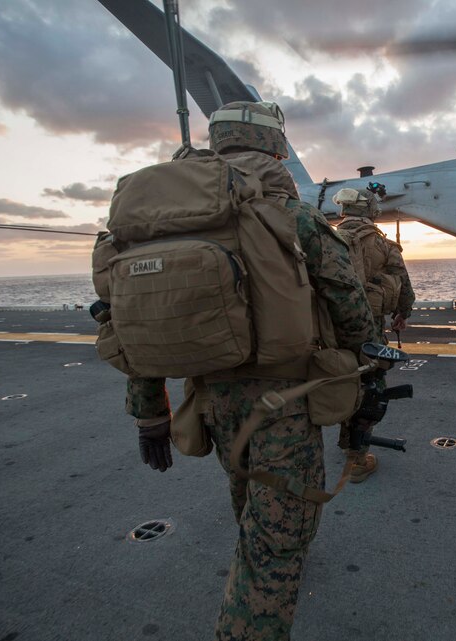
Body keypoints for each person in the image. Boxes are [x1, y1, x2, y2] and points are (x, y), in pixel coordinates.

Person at [126, 101, 381, 641]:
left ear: (217, 144)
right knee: (274, 549)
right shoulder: (294, 216)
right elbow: (348, 302)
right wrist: (365, 363)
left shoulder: (163, 225)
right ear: (277, 148)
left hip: (211, 396)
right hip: (287, 398)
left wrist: (150, 412)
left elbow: (137, 322)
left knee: (245, 486)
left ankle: (271, 544)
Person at [332, 185, 416, 482]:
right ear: (371, 211)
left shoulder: (327, 239)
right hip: (369, 332)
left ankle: (344, 440)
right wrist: (401, 315)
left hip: (328, 333)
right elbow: (404, 289)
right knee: (371, 387)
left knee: (337, 382)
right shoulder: (385, 246)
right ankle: (356, 459)